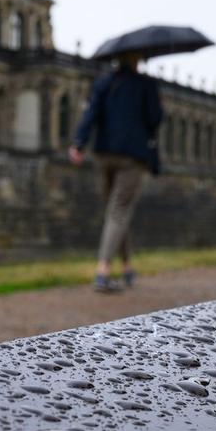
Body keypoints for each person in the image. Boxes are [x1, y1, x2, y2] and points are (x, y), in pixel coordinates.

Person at [68, 52, 162, 293]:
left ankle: (128, 267)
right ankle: (102, 271)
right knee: (119, 210)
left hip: (104, 154)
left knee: (116, 212)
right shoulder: (146, 84)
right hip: (132, 156)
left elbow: (90, 113)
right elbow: (155, 119)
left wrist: (78, 143)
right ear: (137, 59)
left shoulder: (103, 83)